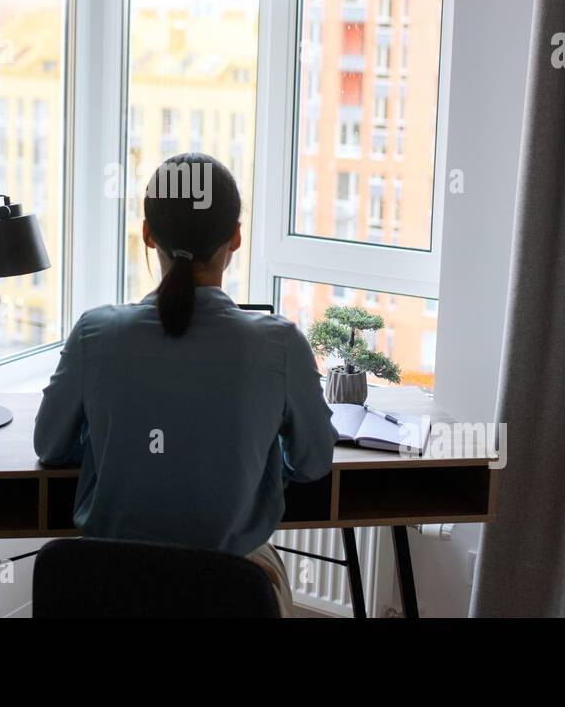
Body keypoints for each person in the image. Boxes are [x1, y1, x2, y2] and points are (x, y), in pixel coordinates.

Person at [33, 153, 338, 616]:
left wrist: (112, 439)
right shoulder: (279, 344)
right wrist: (256, 444)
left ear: (148, 234)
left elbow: (50, 445)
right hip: (229, 590)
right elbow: (314, 463)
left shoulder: (94, 333)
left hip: (104, 592)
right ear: (236, 237)